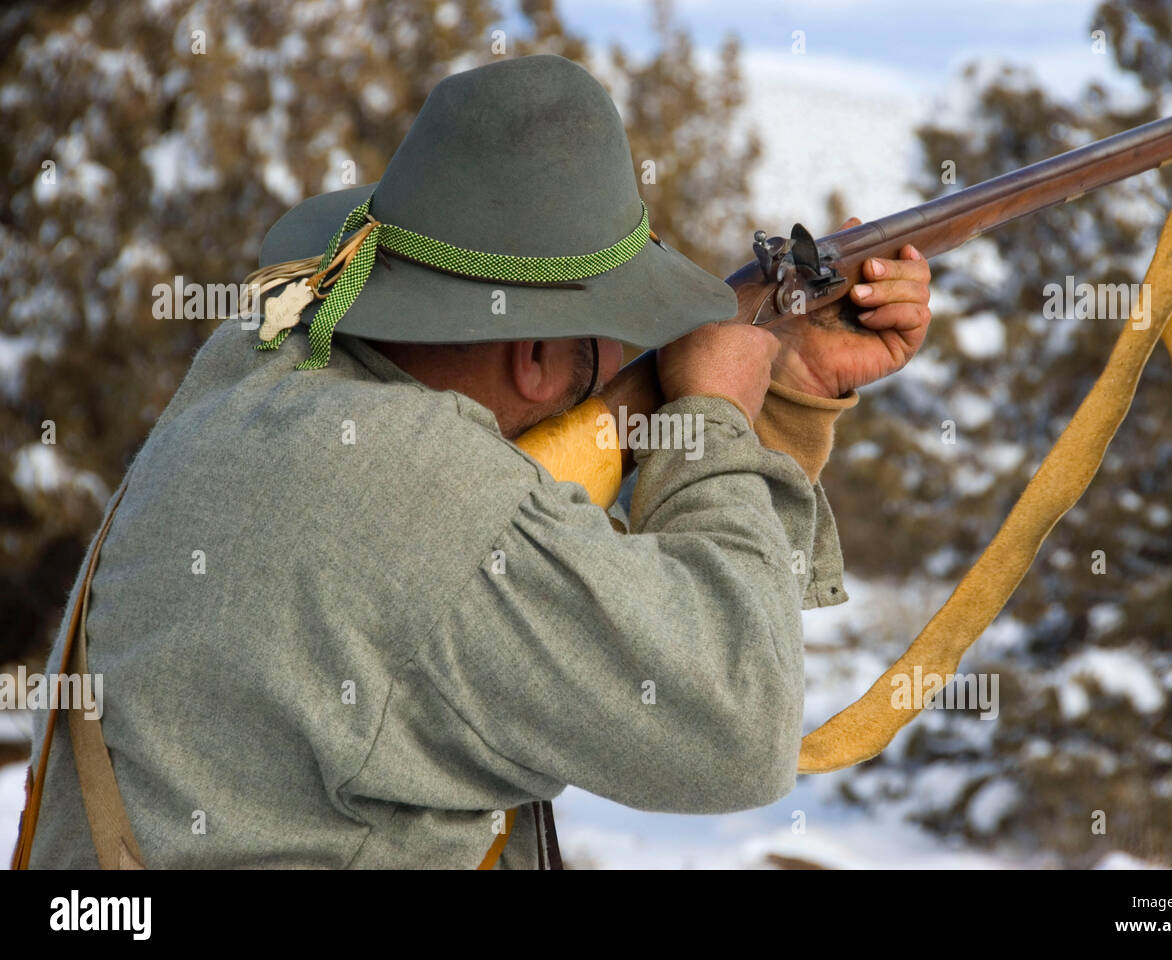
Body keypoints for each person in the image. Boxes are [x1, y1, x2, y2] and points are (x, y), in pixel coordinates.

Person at [17, 54, 930, 869]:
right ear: (534, 359)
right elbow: (740, 720)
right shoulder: (440, 501)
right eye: (626, 335)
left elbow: (554, 573)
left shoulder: (261, 359)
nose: (642, 356)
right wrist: (714, 416)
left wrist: (788, 382)